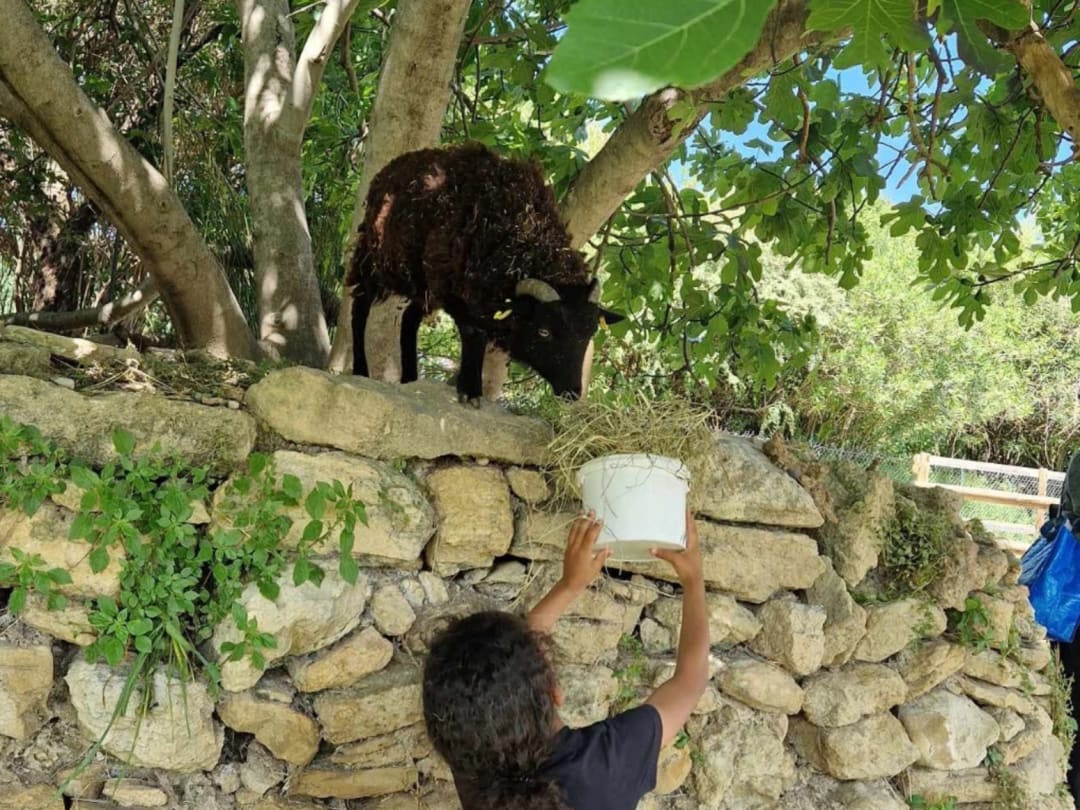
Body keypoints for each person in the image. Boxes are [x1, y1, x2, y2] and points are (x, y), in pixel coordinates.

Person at [422, 510, 709, 810]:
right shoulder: (604, 764)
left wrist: (571, 584)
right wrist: (693, 578)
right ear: (554, 693)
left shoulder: (472, 761)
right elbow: (691, 680)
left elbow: (518, 653)